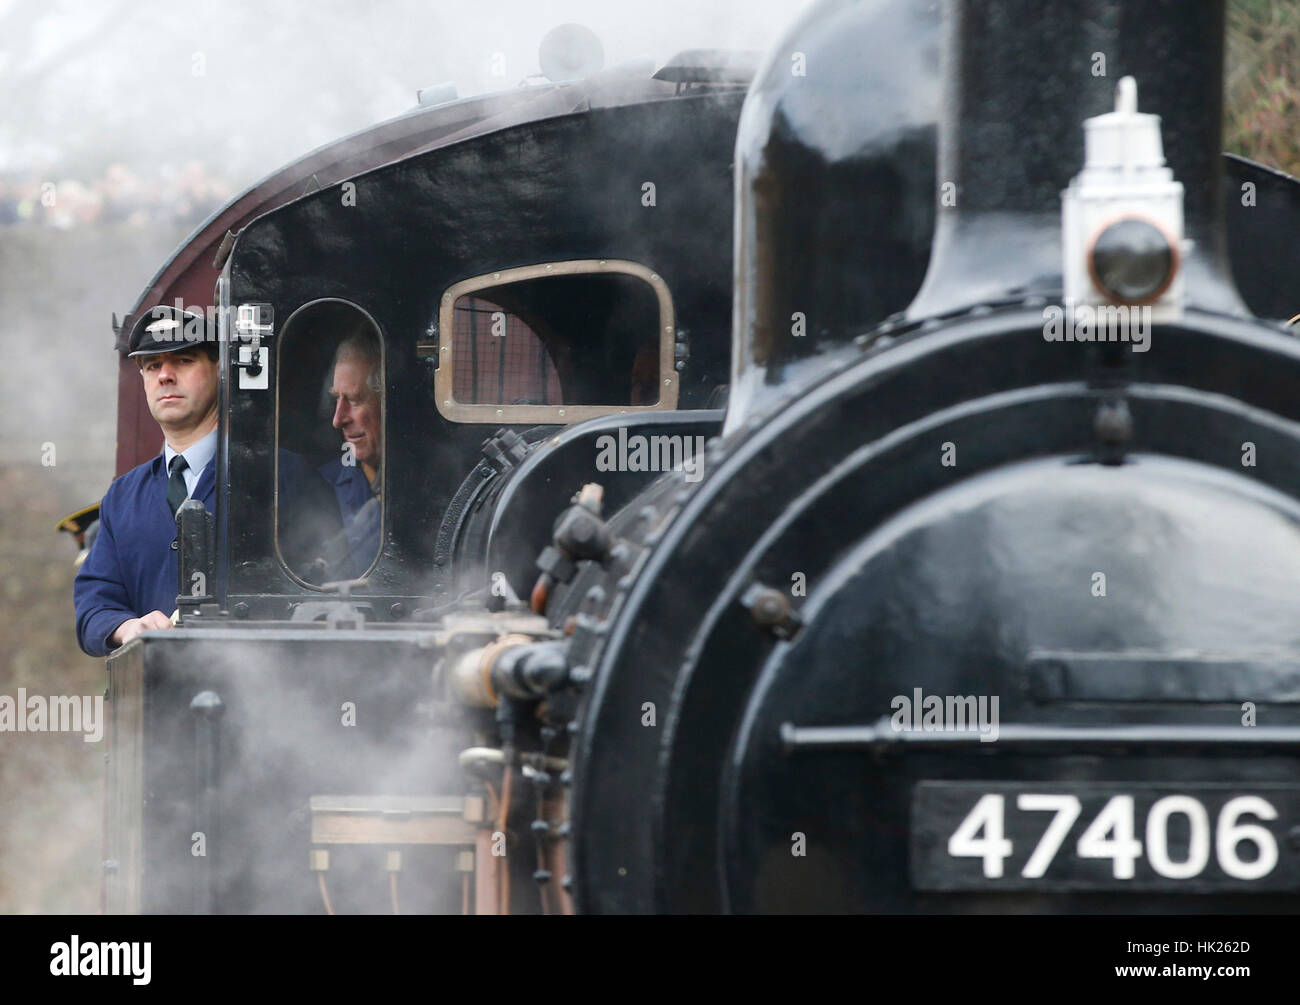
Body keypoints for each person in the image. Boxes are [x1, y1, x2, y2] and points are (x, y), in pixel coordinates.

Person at [74, 307, 218, 657]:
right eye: (153, 366)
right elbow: (94, 605)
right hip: (152, 700)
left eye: (183, 360)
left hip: (264, 698)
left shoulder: (281, 479)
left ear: (220, 369)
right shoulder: (122, 496)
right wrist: (128, 627)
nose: (165, 376)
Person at [317, 333, 383, 580]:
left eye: (354, 400)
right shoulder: (322, 486)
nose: (338, 419)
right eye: (337, 399)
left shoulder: (434, 489)